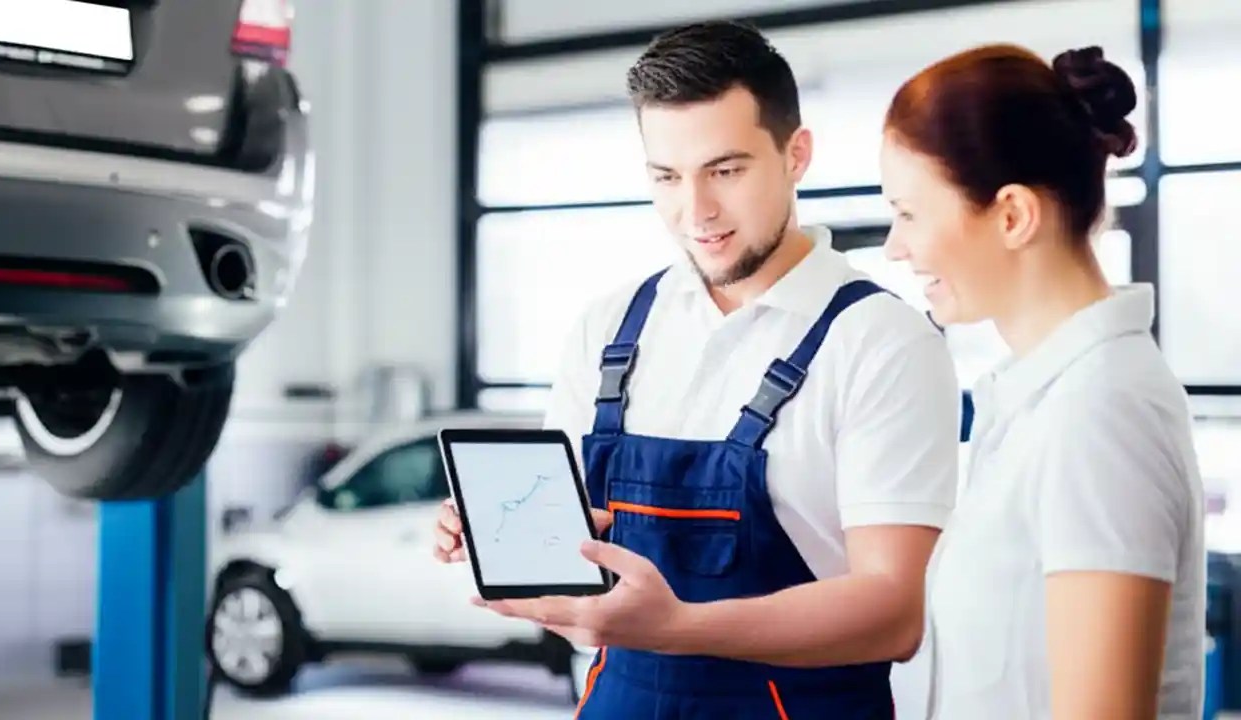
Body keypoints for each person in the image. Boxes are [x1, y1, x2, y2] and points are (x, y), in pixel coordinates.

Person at [435, 20, 962, 718]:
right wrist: (506, 530)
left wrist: (677, 629)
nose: (697, 211)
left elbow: (892, 614)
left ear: (795, 154)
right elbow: (579, 546)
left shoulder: (882, 342)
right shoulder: (607, 328)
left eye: (726, 170)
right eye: (667, 177)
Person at [877, 44, 1205, 719]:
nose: (895, 245)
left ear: (1012, 216)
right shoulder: (1040, 398)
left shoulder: (1101, 411)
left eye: (909, 213)